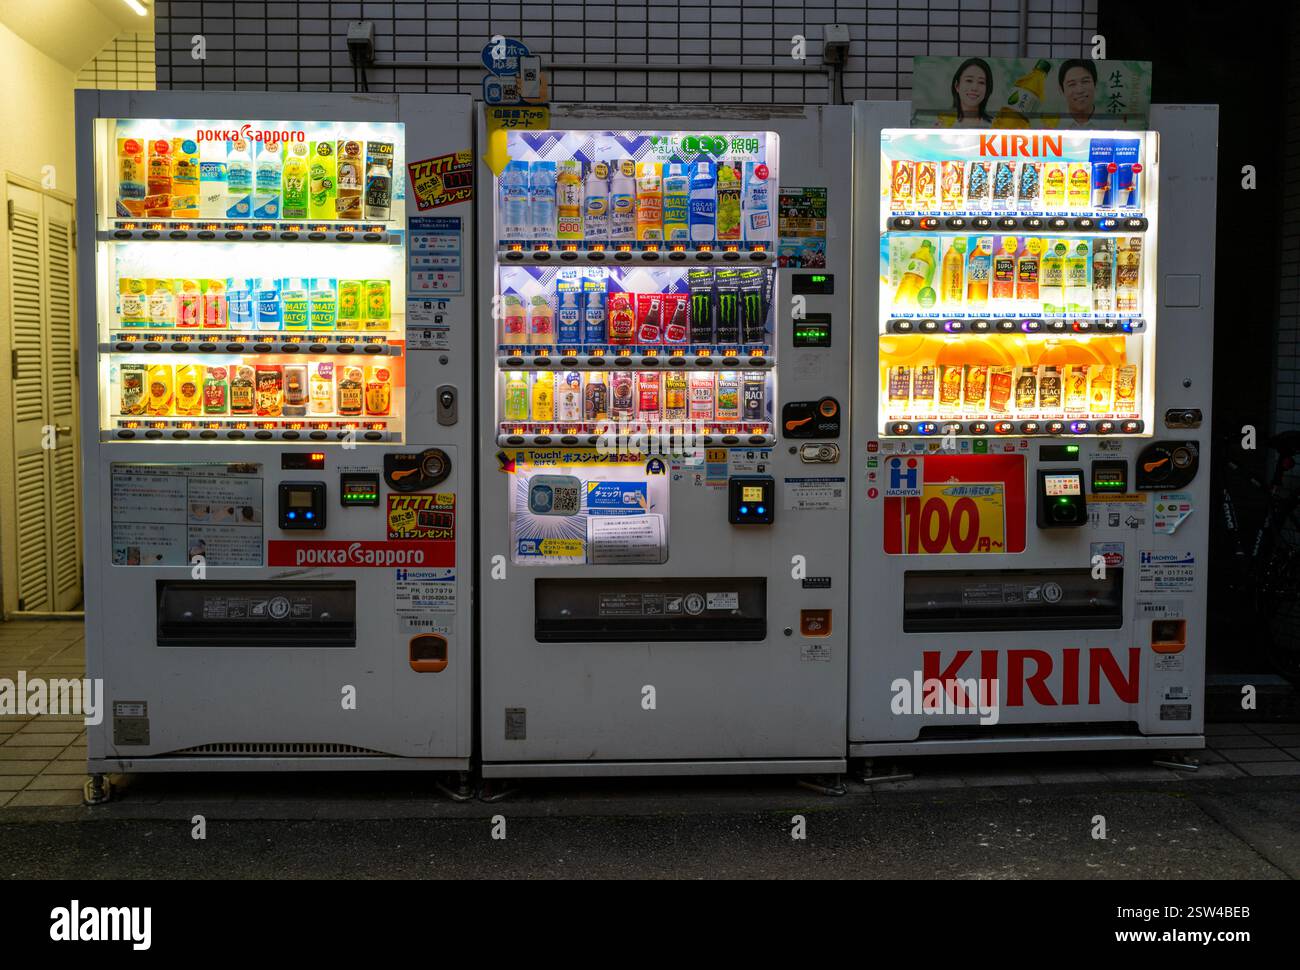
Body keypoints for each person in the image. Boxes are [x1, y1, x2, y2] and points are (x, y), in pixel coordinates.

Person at [942, 58, 994, 128]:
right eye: (969, 80)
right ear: (957, 86)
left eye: (981, 82)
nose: (974, 88)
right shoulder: (942, 124)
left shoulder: (995, 126)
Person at [1057, 59, 1099, 128]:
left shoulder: (1115, 123)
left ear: (1095, 84)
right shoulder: (1053, 126)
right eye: (1072, 84)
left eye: (1085, 81)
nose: (1079, 90)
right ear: (1061, 90)